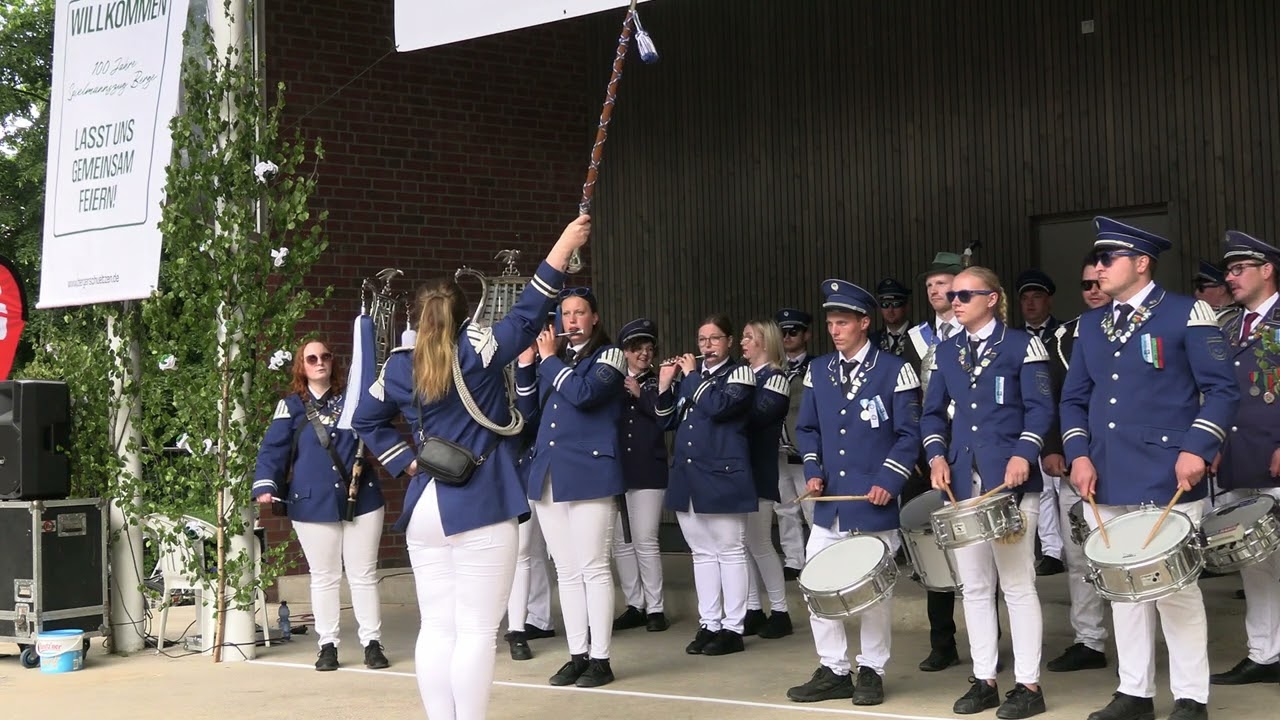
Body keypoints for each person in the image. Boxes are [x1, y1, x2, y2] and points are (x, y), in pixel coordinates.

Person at [351, 216, 589, 720]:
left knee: (437, 628)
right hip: (479, 500)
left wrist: (406, 461)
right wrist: (566, 243)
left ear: (416, 319)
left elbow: (364, 418)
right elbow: (529, 312)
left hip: (426, 506)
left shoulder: (397, 364)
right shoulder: (478, 351)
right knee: (478, 631)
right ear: (463, 314)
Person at [1060, 216, 1238, 720]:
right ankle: (1134, 692)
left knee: (1175, 591)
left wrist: (1197, 448)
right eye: (1096, 260)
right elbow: (1074, 399)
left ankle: (1190, 697)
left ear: (1141, 264)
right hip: (1109, 473)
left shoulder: (1188, 312)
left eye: (1106, 260)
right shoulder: (1090, 324)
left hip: (1169, 472)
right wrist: (1079, 455)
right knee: (1124, 589)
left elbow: (1223, 390)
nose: (1097, 269)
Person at [922, 265, 1053, 719]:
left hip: (1010, 480)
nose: (953, 300)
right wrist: (937, 456)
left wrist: (1024, 453)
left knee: (1017, 584)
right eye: (952, 294)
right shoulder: (946, 349)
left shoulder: (1022, 344)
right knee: (974, 586)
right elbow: (932, 413)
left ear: (992, 298)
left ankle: (1029, 685)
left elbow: (1040, 409)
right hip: (962, 481)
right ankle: (984, 678)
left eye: (964, 294)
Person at [785, 280, 921, 707]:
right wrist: (812, 469)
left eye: (843, 322)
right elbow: (806, 428)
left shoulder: (895, 369)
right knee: (817, 586)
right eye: (830, 323)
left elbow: (908, 434)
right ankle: (833, 668)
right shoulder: (818, 370)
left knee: (874, 592)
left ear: (865, 322)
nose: (835, 330)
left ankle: (872, 670)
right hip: (830, 506)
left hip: (872, 502)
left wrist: (889, 480)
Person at [254, 338, 388, 672]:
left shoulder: (354, 399)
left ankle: (372, 642)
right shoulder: (291, 406)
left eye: (325, 356)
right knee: (324, 576)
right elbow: (273, 449)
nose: (319, 362)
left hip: (362, 498)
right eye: (311, 358)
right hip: (313, 502)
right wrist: (266, 484)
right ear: (302, 366)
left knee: (363, 574)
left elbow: (377, 429)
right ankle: (327, 644)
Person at [518, 286, 627, 688]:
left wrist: (546, 361)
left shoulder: (610, 355)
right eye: (565, 314)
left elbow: (584, 395)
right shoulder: (556, 362)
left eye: (579, 313)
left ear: (594, 317)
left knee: (594, 568)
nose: (571, 321)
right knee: (566, 570)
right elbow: (529, 416)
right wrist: (527, 367)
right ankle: (577, 653)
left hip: (590, 471)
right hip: (550, 473)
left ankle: (601, 658)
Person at [660, 313, 757, 656]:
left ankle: (733, 627)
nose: (707, 346)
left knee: (730, 552)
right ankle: (709, 623)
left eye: (714, 339)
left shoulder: (740, 374)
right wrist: (664, 384)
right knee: (702, 554)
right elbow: (666, 421)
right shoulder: (691, 380)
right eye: (702, 340)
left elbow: (717, 407)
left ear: (729, 342)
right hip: (688, 476)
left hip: (723, 476)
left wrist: (689, 375)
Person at [1208, 231, 1280, 687]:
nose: (1230, 278)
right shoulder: (1229, 325)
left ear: (1267, 270)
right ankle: (1265, 653)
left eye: (1239, 270)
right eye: (1229, 271)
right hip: (1240, 456)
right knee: (1256, 561)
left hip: (1275, 453)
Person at [1039, 255, 1111, 673]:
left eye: (1099, 283)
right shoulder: (1063, 337)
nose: (1094, 291)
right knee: (1080, 556)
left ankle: (1143, 649)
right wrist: (1052, 446)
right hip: (1075, 462)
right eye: (1086, 286)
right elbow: (1049, 399)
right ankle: (1089, 640)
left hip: (1129, 462)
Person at [900, 251, 966, 672]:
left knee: (980, 547)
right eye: (930, 286)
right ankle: (942, 641)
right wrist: (924, 450)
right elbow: (909, 402)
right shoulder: (916, 338)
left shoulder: (982, 330)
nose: (936, 291)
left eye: (943, 283)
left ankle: (987, 641)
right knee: (933, 546)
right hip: (932, 451)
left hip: (974, 449)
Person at [611, 317, 670, 634]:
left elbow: (665, 417)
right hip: (619, 471)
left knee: (645, 540)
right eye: (637, 349)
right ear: (626, 352)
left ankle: (656, 608)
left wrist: (640, 394)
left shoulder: (660, 380)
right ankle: (635, 604)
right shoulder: (613, 380)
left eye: (649, 349)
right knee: (621, 543)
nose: (644, 354)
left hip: (649, 470)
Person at [739, 318, 793, 639]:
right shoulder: (744, 376)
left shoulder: (775, 378)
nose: (743, 343)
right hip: (740, 467)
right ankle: (752, 608)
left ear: (765, 342)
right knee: (742, 543)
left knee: (759, 540)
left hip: (758, 466)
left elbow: (757, 415)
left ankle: (781, 610)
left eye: (749, 337)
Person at [1015, 269, 1065, 578]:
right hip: (1028, 423)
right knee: (1041, 491)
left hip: (1060, 419)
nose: (1031, 304)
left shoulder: (1064, 333)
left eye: (1037, 297)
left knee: (1064, 487)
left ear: (1049, 300)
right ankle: (1051, 551)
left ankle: (1075, 547)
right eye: (1025, 298)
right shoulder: (1014, 339)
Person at [774, 308, 814, 580]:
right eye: (783, 332)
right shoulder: (772, 368)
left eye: (793, 331)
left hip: (803, 449)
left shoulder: (817, 366)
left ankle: (816, 558)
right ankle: (793, 559)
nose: (787, 337)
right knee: (785, 507)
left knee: (811, 507)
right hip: (778, 449)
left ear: (806, 335)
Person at [870, 278, 912, 356]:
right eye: (885, 305)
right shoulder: (872, 341)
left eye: (896, 304)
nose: (890, 310)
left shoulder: (919, 336)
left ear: (906, 306)